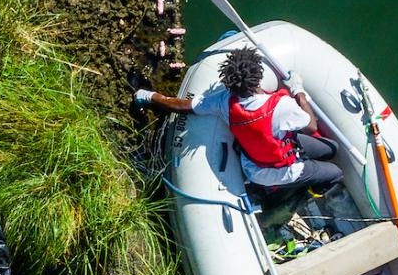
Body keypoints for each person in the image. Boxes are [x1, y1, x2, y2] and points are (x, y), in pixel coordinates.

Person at [134, 48, 344, 195]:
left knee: (331, 149)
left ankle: (301, 174)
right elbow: (311, 126)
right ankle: (307, 190)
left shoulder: (223, 101)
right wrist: (298, 91)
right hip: (280, 171)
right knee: (335, 174)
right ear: (259, 75)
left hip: (256, 162)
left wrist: (151, 96)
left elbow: (181, 105)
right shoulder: (282, 106)